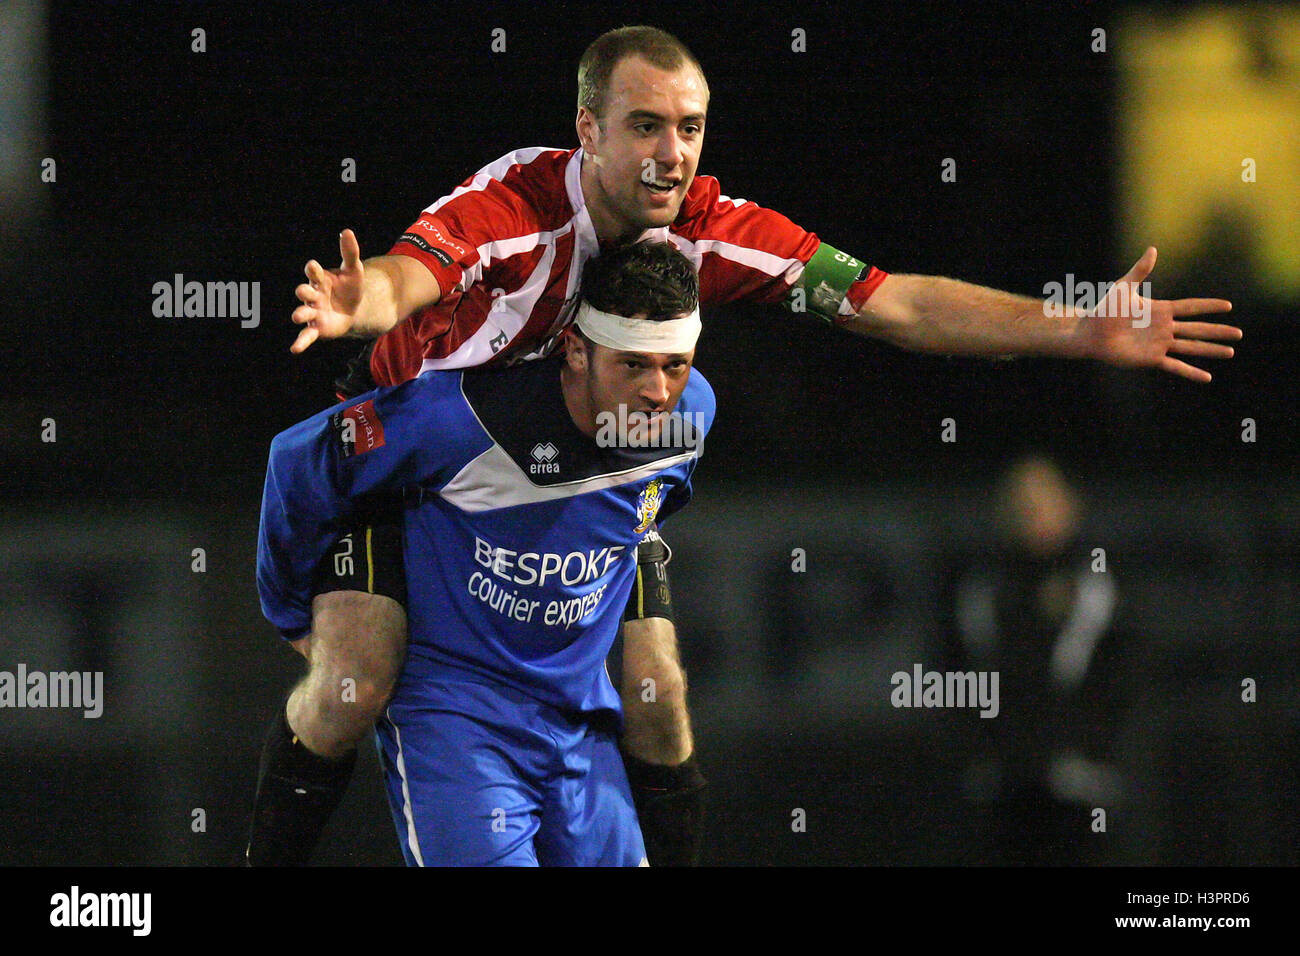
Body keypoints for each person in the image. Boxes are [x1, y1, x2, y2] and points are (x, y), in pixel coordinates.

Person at [247, 24, 1242, 867]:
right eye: (644, 125)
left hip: (588, 459)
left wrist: (1075, 327)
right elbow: (409, 275)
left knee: (660, 692)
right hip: (421, 465)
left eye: (688, 126)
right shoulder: (517, 210)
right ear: (587, 131)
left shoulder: (710, 229)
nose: (671, 151)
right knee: (355, 678)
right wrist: (357, 298)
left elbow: (892, 302)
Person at [257, 241, 712, 864]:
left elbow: (658, 503)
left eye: (675, 366)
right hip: (456, 718)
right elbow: (300, 460)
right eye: (633, 365)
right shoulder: (463, 416)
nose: (659, 392)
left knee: (661, 691)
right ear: (576, 351)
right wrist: (289, 613)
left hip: (580, 722)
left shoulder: (691, 418)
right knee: (346, 687)